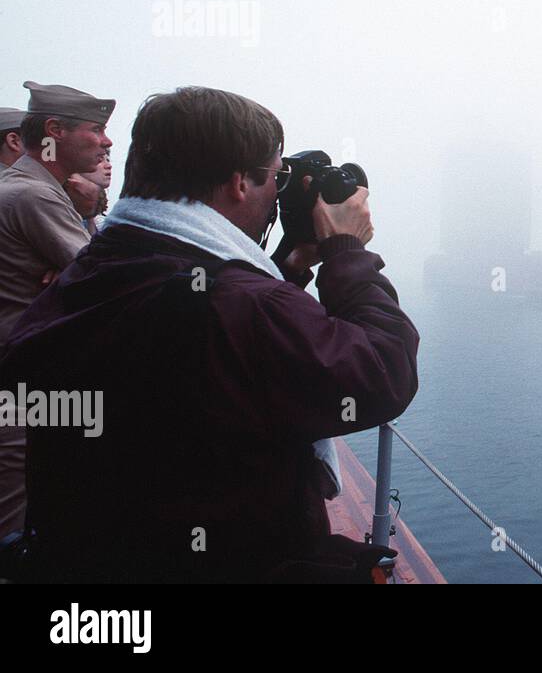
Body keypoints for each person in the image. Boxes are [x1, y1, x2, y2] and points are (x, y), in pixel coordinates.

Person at [0, 86, 419, 582]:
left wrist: (292, 263)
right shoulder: (239, 303)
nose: (276, 195)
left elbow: (219, 342)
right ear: (240, 183)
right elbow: (381, 372)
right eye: (275, 177)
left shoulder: (99, 265)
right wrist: (347, 253)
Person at [0, 81, 114, 542]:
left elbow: (85, 274)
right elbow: (114, 282)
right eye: (97, 129)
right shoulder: (34, 196)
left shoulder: (20, 187)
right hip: (23, 395)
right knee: (17, 530)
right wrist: (87, 219)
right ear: (53, 131)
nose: (106, 141)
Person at [64, 150, 111, 233]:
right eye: (99, 160)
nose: (109, 165)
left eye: (108, 160)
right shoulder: (64, 209)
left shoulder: (101, 223)